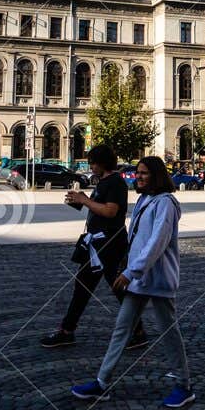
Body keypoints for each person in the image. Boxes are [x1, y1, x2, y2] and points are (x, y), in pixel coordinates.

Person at [70, 155, 194, 409]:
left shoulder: (166, 204)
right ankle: (102, 382)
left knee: (169, 332)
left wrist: (130, 272)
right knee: (121, 329)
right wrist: (126, 267)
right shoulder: (144, 200)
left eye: (144, 174)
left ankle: (184, 385)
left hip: (157, 279)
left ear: (157, 176)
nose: (138, 177)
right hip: (138, 279)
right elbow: (136, 239)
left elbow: (156, 243)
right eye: (137, 173)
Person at [42, 145, 147, 351]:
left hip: (109, 246)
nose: (91, 166)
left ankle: (138, 331)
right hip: (97, 245)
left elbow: (110, 211)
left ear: (102, 163)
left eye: (93, 163)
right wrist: (80, 202)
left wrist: (85, 200)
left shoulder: (115, 182)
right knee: (82, 287)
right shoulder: (104, 182)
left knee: (117, 288)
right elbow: (99, 207)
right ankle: (67, 331)